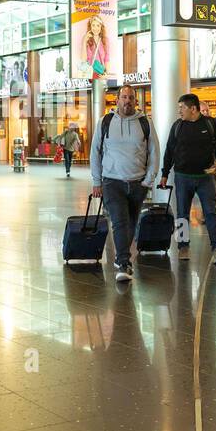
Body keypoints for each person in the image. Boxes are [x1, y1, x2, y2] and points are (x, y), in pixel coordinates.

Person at [89, 84, 159, 283]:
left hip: (138, 183)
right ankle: (124, 263)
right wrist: (97, 180)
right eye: (124, 97)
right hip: (112, 182)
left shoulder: (145, 123)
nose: (127, 101)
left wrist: (148, 179)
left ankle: (122, 256)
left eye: (131, 97)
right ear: (117, 99)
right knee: (120, 222)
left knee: (131, 224)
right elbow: (95, 152)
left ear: (135, 101)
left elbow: (154, 151)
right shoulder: (105, 122)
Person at [159, 93, 216, 266]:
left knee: (211, 213)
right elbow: (169, 150)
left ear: (193, 109)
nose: (179, 111)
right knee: (182, 214)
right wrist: (165, 173)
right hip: (182, 177)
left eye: (182, 108)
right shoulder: (178, 126)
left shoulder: (210, 124)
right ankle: (183, 246)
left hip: (205, 177)